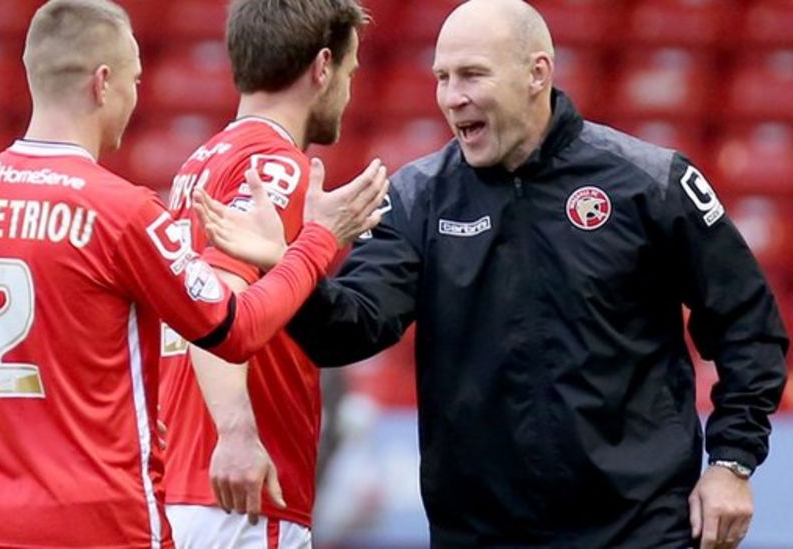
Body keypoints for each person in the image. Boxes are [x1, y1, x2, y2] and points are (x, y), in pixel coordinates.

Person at [253, 0, 788, 547]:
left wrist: (731, 461)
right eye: (442, 77)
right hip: (481, 533)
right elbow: (349, 330)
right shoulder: (416, 201)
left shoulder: (650, 183)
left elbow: (748, 323)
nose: (451, 96)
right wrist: (288, 265)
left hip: (638, 527)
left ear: (537, 73)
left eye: (471, 75)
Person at [0, 0, 387, 547]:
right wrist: (318, 240)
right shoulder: (162, 196)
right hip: (155, 503)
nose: (137, 97)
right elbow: (228, 318)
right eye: (134, 79)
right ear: (104, 83)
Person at [158, 1, 367, 547]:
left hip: (182, 480)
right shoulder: (274, 166)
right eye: (350, 69)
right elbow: (217, 302)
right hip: (243, 494)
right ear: (323, 67)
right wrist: (235, 433)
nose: (348, 87)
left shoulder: (198, 163)